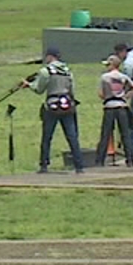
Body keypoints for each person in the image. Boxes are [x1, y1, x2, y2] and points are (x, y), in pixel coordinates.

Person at [21, 45, 84, 174]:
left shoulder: (45, 71)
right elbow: (72, 90)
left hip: (52, 106)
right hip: (66, 105)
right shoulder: (68, 71)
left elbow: (39, 89)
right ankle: (79, 165)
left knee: (47, 136)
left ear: (50, 56)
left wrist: (29, 85)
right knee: (72, 136)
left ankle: (44, 164)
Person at [95, 54, 133, 167]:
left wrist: (106, 96)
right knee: (125, 134)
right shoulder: (123, 77)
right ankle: (130, 159)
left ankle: (100, 160)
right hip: (122, 106)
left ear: (112, 65)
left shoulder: (105, 77)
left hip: (109, 107)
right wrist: (125, 96)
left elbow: (101, 93)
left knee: (106, 133)